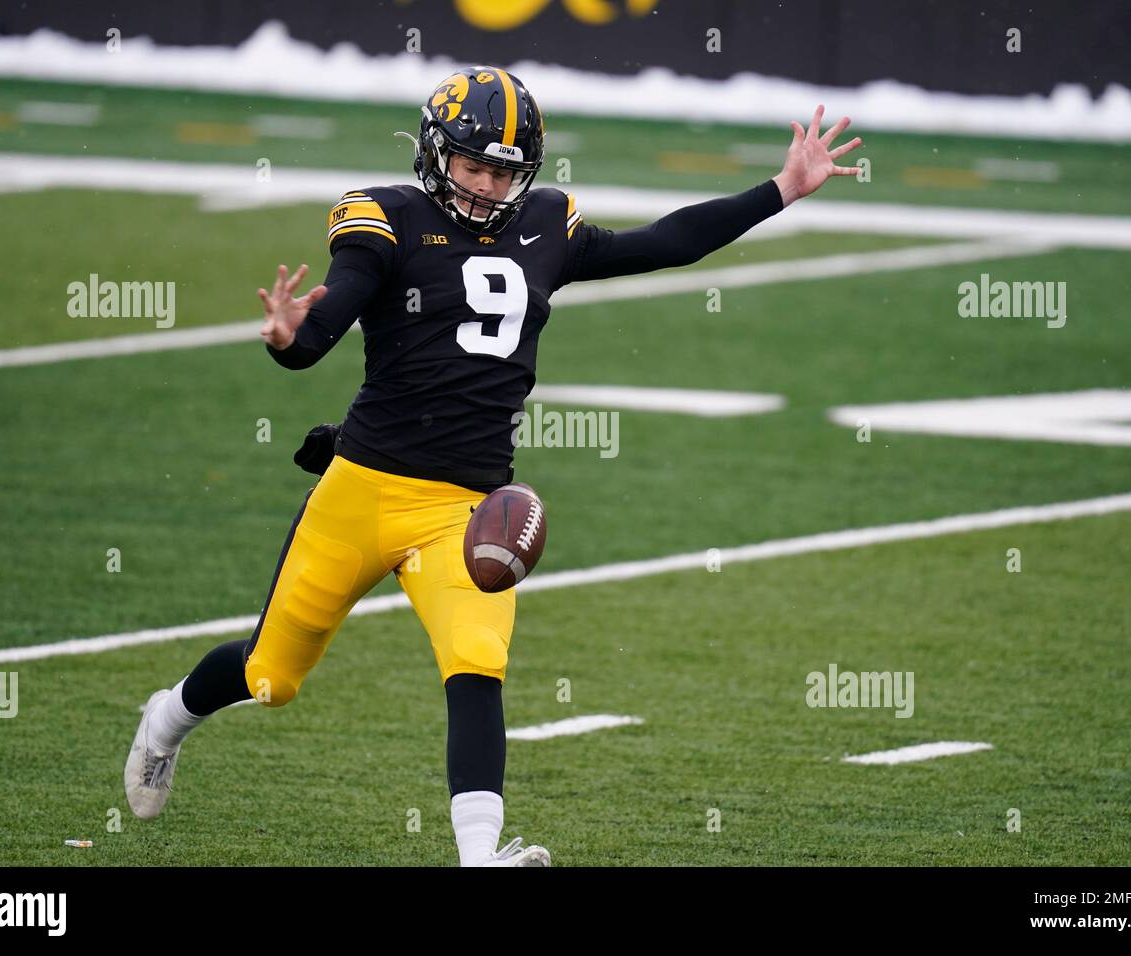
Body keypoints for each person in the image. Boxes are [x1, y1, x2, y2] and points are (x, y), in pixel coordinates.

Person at [124, 65, 862, 867]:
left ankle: (480, 859)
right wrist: (289, 338)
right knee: (273, 677)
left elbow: (663, 242)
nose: (485, 184)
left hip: (467, 507)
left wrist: (780, 190)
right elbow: (328, 318)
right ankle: (165, 721)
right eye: (473, 165)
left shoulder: (548, 224)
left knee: (476, 666)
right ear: (437, 154)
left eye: (503, 170)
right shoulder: (384, 218)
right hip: (363, 491)